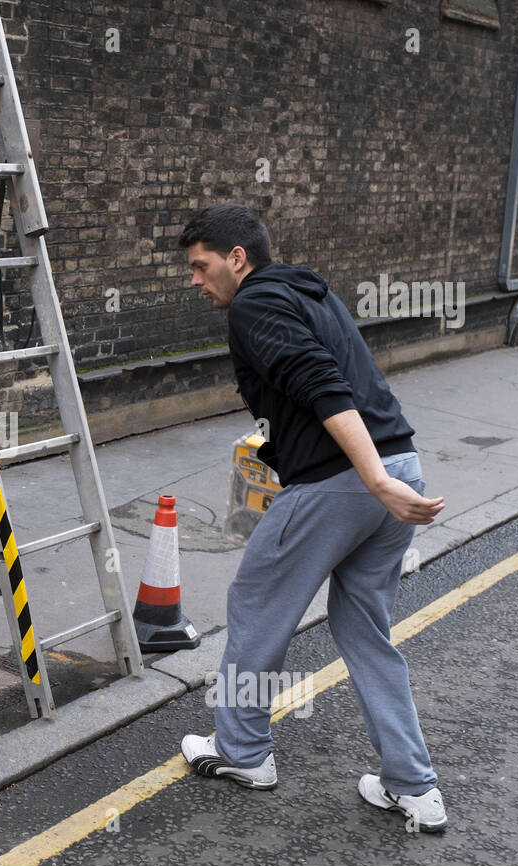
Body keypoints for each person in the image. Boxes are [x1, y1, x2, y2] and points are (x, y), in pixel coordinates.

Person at [177, 204, 448, 832]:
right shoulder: (309, 291)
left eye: (201, 265)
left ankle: (243, 754)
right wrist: (385, 476)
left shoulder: (254, 305)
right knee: (364, 630)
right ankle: (414, 786)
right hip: (400, 465)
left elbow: (321, 383)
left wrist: (372, 480)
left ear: (237, 259)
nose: (195, 280)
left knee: (253, 602)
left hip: (350, 482)